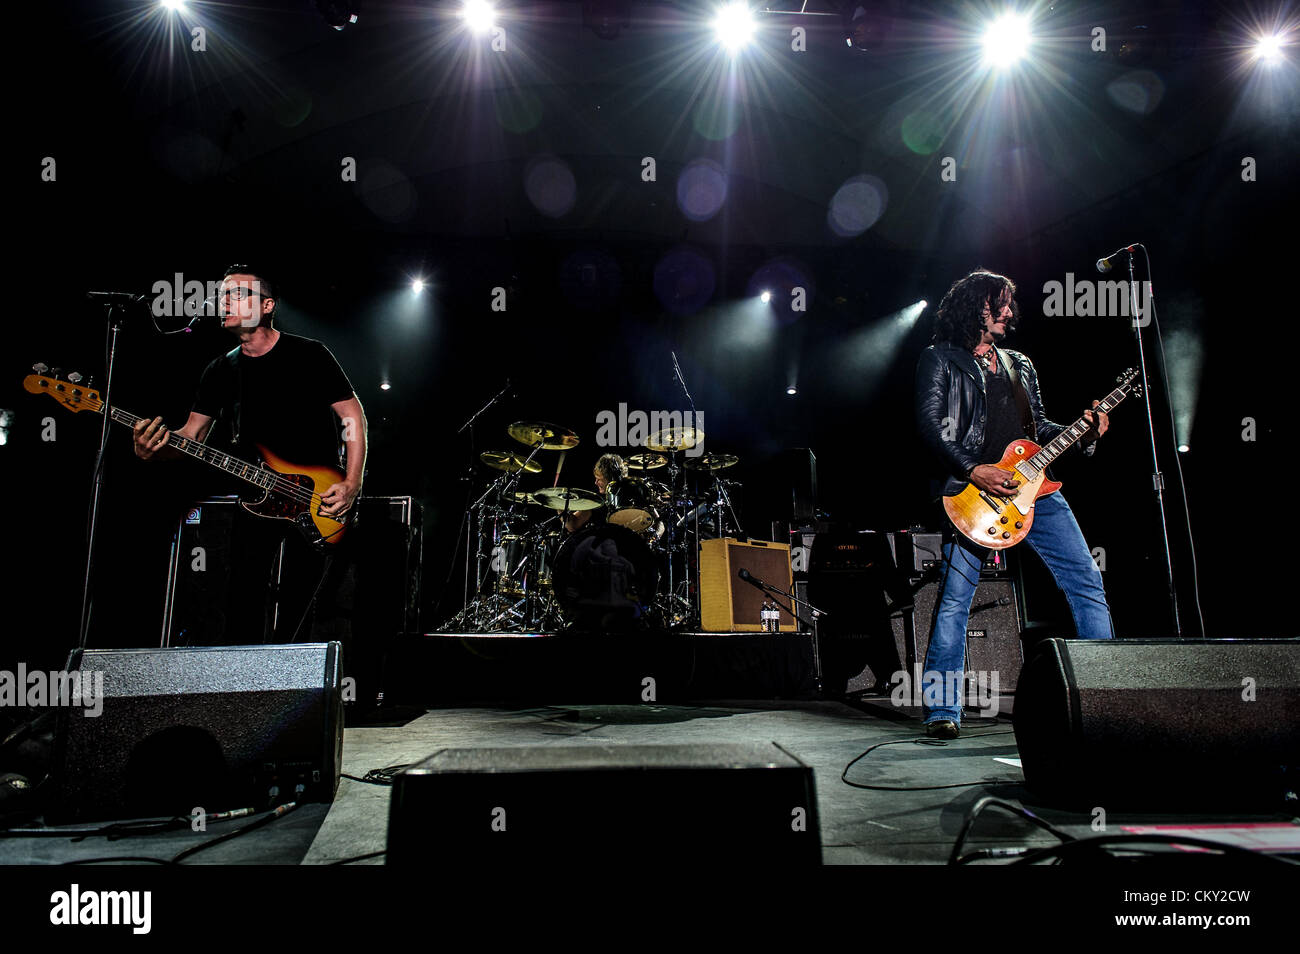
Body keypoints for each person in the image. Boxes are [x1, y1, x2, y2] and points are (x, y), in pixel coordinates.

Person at [914, 269, 1113, 738]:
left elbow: (1038, 428)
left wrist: (1081, 433)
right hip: (974, 496)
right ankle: (943, 710)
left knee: (1085, 579)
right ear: (973, 307)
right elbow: (929, 425)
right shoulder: (940, 358)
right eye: (996, 304)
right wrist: (972, 468)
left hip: (1034, 489)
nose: (1007, 312)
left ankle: (1106, 692)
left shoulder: (1019, 363)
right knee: (955, 601)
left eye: (1008, 304)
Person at [133, 264, 367, 644]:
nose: (223, 301)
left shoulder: (310, 354)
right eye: (222, 295)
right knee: (242, 599)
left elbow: (351, 416)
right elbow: (192, 436)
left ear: (267, 305)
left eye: (236, 294)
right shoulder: (220, 370)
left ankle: (303, 692)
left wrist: (352, 481)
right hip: (253, 499)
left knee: (303, 606)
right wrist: (154, 450)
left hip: (314, 497)